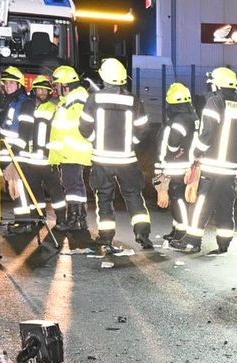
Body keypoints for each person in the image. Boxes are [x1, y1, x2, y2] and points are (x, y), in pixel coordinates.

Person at [83, 58, 153, 252]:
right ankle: (143, 235)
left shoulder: (94, 99)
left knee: (104, 198)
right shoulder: (133, 100)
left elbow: (84, 127)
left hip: (102, 158)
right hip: (127, 159)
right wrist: (131, 143)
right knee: (134, 196)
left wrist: (95, 141)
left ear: (103, 77)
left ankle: (106, 238)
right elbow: (143, 128)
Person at [175, 67, 237, 254]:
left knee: (201, 204)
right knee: (225, 205)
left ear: (218, 84)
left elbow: (207, 134)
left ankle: (192, 241)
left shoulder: (215, 102)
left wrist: (196, 152)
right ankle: (224, 242)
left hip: (213, 166)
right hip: (231, 168)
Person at [46, 65, 95, 251]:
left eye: (57, 85)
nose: (55, 89)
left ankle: (76, 219)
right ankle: (77, 218)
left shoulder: (77, 100)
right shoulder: (69, 100)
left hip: (74, 151)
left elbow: (80, 128)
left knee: (73, 186)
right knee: (73, 186)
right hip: (70, 151)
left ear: (65, 85)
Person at [15, 72, 64, 228]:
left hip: (48, 159)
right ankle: (38, 217)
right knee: (34, 191)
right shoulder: (28, 107)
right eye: (39, 89)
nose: (42, 92)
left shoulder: (54, 108)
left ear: (49, 92)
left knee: (55, 191)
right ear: (34, 90)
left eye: (45, 90)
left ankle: (61, 219)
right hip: (31, 159)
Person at [156, 82, 198, 245]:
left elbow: (172, 144)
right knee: (178, 199)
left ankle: (181, 230)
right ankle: (176, 228)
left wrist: (172, 152)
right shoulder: (192, 117)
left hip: (175, 166)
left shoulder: (179, 120)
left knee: (177, 198)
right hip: (186, 165)